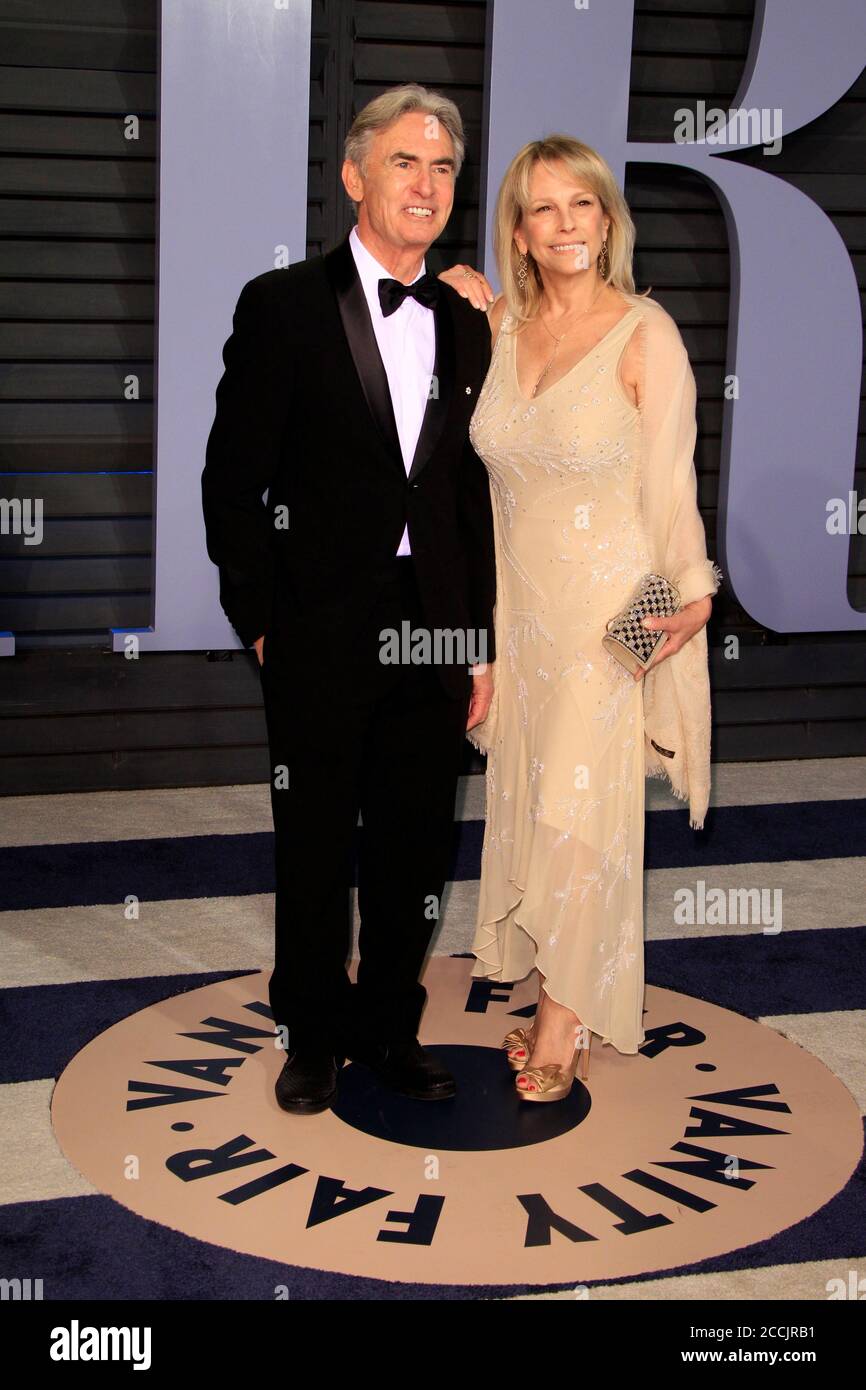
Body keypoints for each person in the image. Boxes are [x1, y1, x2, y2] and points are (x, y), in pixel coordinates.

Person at [201, 84, 496, 1115]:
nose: (424, 184)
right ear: (354, 175)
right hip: (318, 624)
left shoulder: (467, 318)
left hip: (434, 621)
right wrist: (261, 619)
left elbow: (470, 494)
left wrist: (479, 639)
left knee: (417, 841)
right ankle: (312, 1033)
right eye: (405, 162)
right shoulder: (280, 305)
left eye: (442, 167)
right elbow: (232, 481)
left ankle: (387, 1028)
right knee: (316, 842)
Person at [464, 135, 722, 1102]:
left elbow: (670, 491)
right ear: (520, 232)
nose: (566, 224)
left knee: (582, 810)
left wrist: (677, 608)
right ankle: (554, 974)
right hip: (523, 621)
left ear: (607, 220)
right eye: (544, 209)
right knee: (537, 798)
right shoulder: (500, 332)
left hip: (612, 612)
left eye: (583, 205)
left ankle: (564, 1015)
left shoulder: (644, 333)